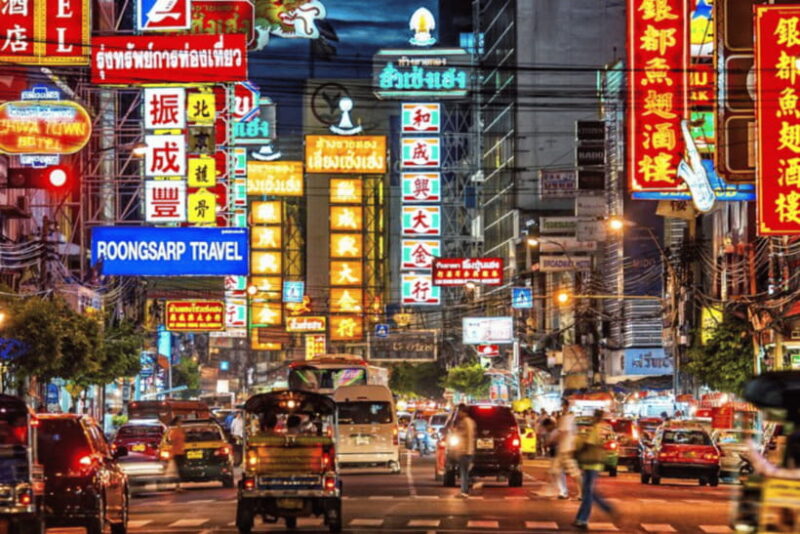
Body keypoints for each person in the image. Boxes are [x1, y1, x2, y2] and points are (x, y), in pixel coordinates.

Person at [573, 410, 617, 530]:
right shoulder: (601, 428)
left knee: (588, 492)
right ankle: (583, 516)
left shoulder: (596, 428)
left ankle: (583, 519)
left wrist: (577, 452)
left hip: (591, 463)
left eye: (595, 416)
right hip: (593, 463)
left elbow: (588, 444)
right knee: (589, 491)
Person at [550, 399, 582, 499]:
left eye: (563, 406)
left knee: (574, 472)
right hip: (563, 448)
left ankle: (581, 493)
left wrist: (552, 438)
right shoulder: (566, 417)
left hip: (567, 449)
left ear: (566, 406)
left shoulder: (568, 417)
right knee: (556, 470)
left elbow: (562, 431)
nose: (562, 408)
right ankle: (562, 492)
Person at [452, 404, 476, 497]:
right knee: (466, 471)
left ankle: (464, 491)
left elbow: (462, 435)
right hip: (469, 450)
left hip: (464, 451)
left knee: (464, 472)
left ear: (463, 412)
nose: (458, 414)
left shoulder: (463, 422)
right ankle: (469, 486)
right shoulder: (471, 422)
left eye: (459, 412)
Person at [167, 417, 187, 492]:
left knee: (180, 470)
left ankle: (179, 486)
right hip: (177, 453)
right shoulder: (174, 431)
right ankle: (177, 486)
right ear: (176, 423)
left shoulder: (181, 430)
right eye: (180, 422)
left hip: (181, 452)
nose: (181, 423)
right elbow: (171, 441)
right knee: (178, 470)